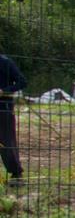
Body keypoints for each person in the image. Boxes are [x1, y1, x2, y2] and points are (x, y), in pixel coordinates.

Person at [0, 54, 26, 185]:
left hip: (3, 108)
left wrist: (4, 91)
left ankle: (16, 173)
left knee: (6, 141)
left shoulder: (5, 62)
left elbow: (22, 82)